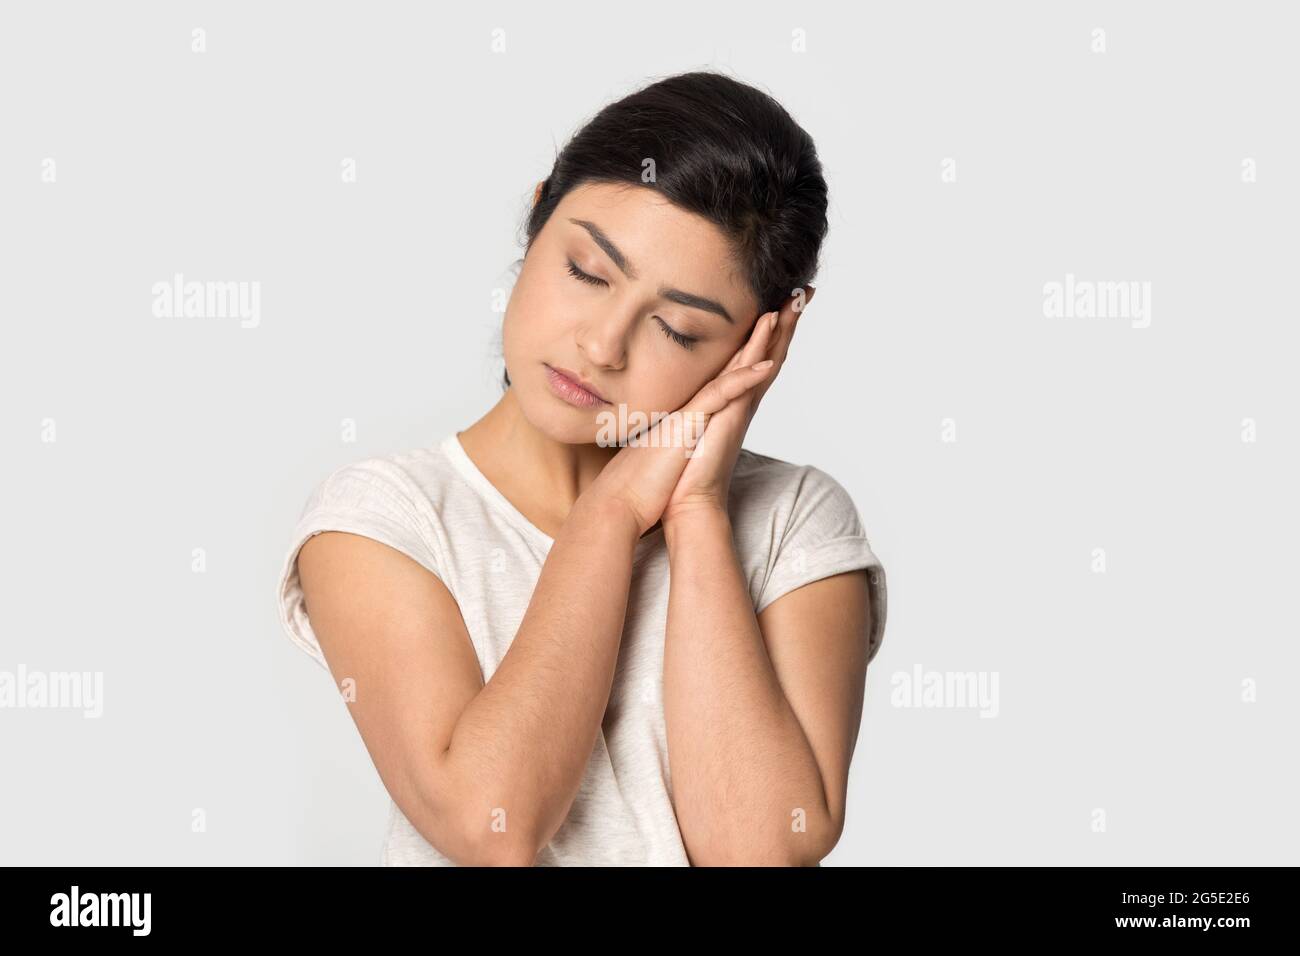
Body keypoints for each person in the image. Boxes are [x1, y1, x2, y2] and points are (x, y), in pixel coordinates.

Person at [275, 69, 888, 866]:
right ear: (537, 218)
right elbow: (493, 822)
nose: (601, 346)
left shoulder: (793, 519)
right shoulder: (383, 519)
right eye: (587, 273)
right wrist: (611, 514)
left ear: (755, 348)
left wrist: (696, 509)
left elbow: (760, 850)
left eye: (675, 328)